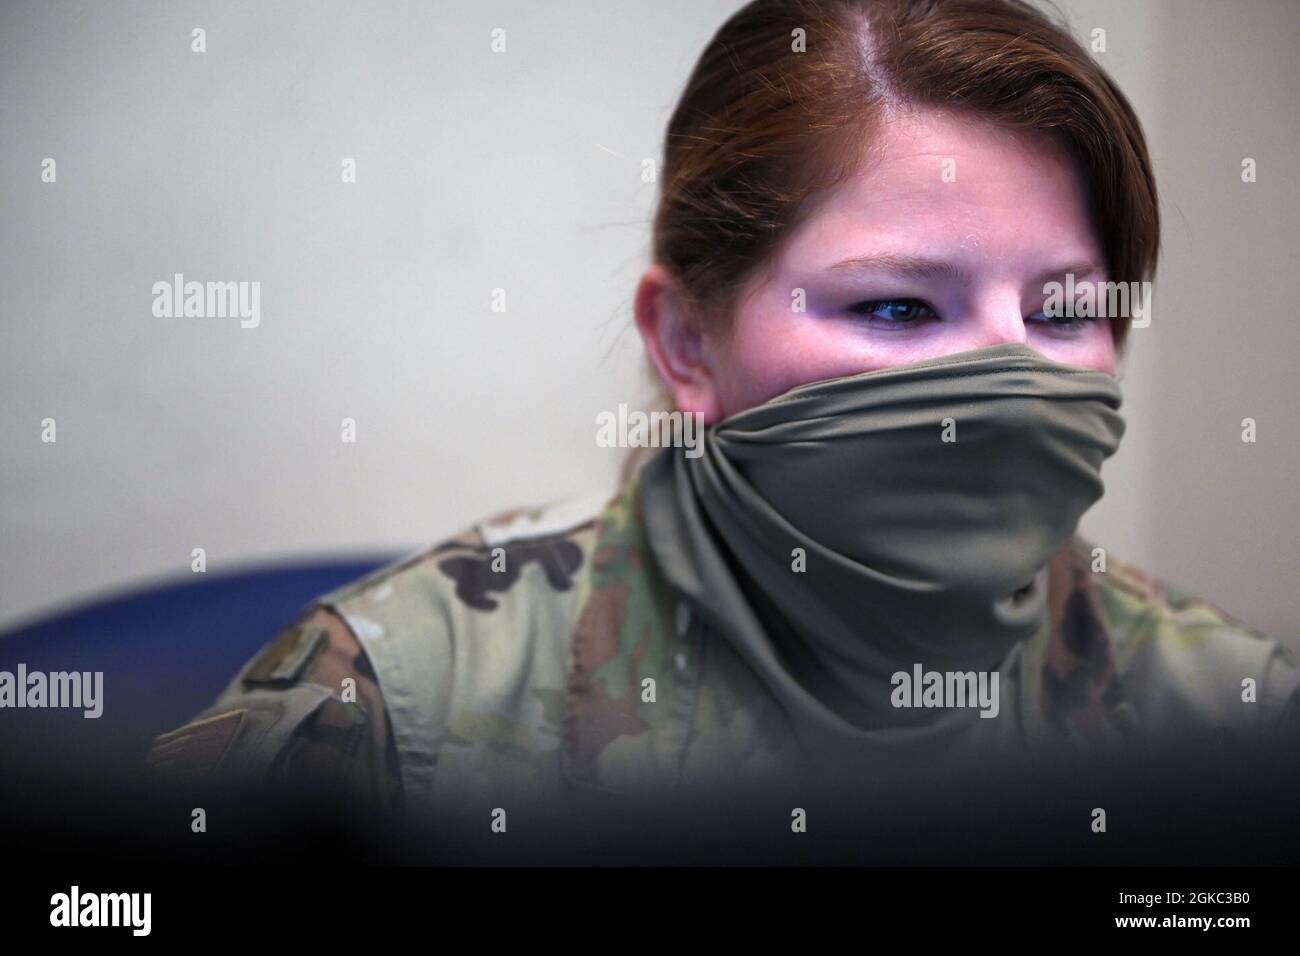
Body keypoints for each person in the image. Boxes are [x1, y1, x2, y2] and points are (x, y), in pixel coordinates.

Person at [146, 0, 1300, 832]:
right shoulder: (395, 705)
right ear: (687, 342)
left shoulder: (1224, 714)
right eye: (898, 305)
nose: (1003, 377)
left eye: (1061, 309)